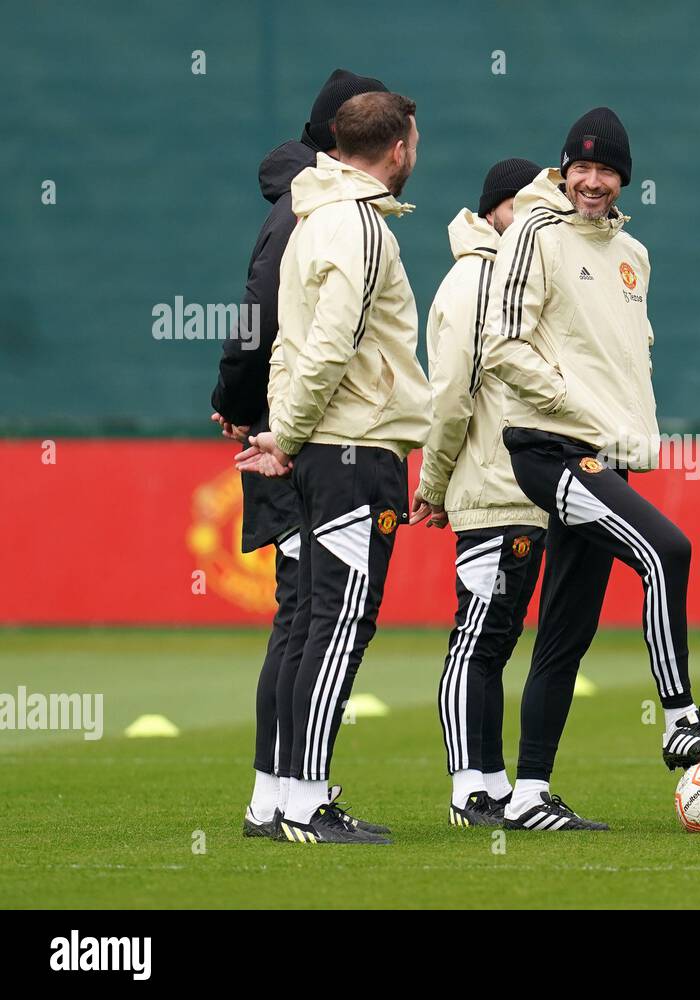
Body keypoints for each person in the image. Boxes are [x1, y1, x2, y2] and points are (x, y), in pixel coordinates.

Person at [479, 107, 700, 831]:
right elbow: (500, 346)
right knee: (668, 550)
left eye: (606, 170)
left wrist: (618, 431)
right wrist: (570, 404)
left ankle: (529, 794)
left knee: (566, 633)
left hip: (608, 458)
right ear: (563, 172)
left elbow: (627, 362)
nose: (592, 182)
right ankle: (680, 719)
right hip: (552, 450)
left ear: (624, 177)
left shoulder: (633, 252)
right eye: (581, 169)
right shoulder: (534, 233)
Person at [236, 91, 431, 844]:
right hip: (352, 450)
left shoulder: (315, 217)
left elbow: (292, 343)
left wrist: (283, 432)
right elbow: (332, 344)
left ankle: (283, 796)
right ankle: (307, 802)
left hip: (324, 446)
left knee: (315, 619)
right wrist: (285, 433)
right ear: (400, 149)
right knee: (340, 622)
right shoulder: (356, 225)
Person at [209, 67, 388, 838]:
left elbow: (254, 316)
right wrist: (244, 409)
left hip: (285, 430)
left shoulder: (297, 208)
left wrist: (240, 406)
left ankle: (271, 799)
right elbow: (262, 315)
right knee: (310, 620)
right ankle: (292, 800)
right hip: (302, 437)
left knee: (296, 620)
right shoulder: (315, 214)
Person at [410, 158, 547, 827]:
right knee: (475, 641)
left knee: (492, 643)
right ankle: (470, 791)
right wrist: (433, 484)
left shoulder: (510, 275)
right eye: (523, 208)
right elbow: (452, 393)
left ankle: (491, 786)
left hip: (516, 493)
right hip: (491, 489)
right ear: (497, 208)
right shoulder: (478, 277)